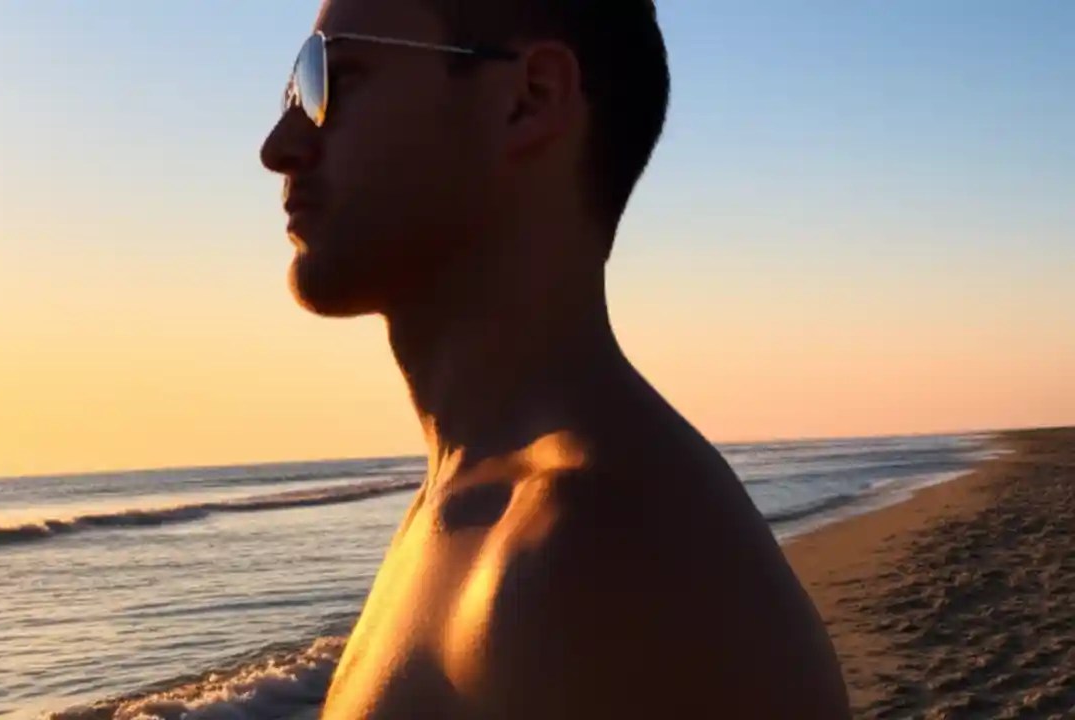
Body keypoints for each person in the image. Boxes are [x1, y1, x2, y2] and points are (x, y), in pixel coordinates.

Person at [260, 0, 851, 717]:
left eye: (334, 79)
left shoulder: (601, 556)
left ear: (529, 99)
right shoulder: (475, 503)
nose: (279, 145)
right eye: (294, 89)